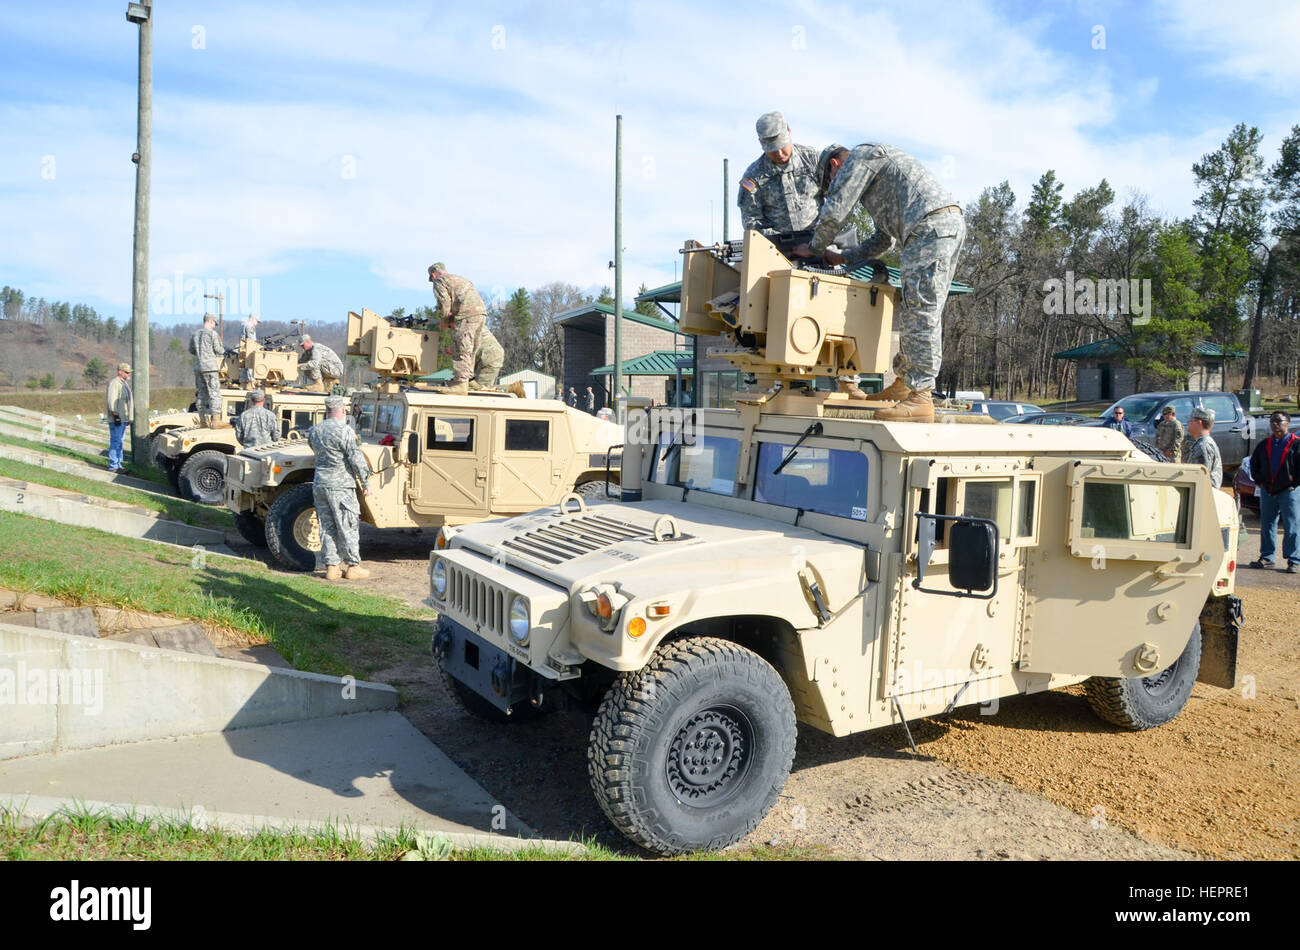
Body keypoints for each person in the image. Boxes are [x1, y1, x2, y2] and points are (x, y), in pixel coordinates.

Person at [792, 144, 964, 420]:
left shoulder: (860, 158)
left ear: (834, 166)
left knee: (921, 310)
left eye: (830, 182)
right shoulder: (875, 178)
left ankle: (921, 397)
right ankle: (904, 385)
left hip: (928, 228)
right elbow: (884, 240)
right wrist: (842, 258)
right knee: (915, 310)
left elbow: (835, 212)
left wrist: (812, 248)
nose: (834, 186)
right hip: (937, 226)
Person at [738, 112, 841, 233]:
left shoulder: (813, 159)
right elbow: (751, 220)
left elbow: (835, 198)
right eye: (772, 150)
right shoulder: (753, 176)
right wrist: (777, 240)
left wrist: (823, 232)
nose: (779, 154)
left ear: (789, 132)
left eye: (782, 146)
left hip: (820, 240)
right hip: (775, 248)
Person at [307, 395, 371, 580]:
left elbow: (314, 449)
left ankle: (332, 567)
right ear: (343, 410)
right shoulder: (346, 431)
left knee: (327, 526)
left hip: (320, 484)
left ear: (327, 411)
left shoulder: (315, 430)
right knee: (348, 525)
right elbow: (356, 459)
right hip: (341, 486)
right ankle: (353, 566)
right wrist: (365, 483)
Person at [1247, 411, 1300, 573]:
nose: (1275, 424)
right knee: (1267, 524)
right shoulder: (1265, 444)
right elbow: (1254, 464)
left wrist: (1295, 484)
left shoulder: (1296, 444)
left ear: (1287, 423)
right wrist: (1260, 482)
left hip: (1289, 491)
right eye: (1272, 421)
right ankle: (1267, 557)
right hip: (1268, 490)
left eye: (1278, 421)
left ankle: (1294, 560)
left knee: (1292, 526)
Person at [428, 261, 489, 396]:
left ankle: (461, 384)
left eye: (432, 279)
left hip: (466, 315)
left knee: (461, 347)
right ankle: (467, 380)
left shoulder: (440, 281)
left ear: (433, 275)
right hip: (481, 313)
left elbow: (444, 304)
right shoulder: (460, 279)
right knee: (471, 348)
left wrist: (443, 320)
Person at [189, 314, 227, 427]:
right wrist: (225, 351)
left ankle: (202, 421)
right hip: (210, 367)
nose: (214, 326)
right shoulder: (212, 334)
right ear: (210, 321)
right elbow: (218, 349)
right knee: (214, 393)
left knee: (201, 394)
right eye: (214, 324)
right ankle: (216, 421)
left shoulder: (195, 334)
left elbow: (191, 350)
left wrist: (201, 352)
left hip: (199, 367)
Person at [105, 362, 132, 473]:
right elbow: (112, 400)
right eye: (126, 372)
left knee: (119, 442)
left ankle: (118, 464)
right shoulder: (115, 383)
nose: (128, 374)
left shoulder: (124, 383)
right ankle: (114, 466)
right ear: (120, 371)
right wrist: (115, 415)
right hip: (118, 418)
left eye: (129, 372)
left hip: (123, 418)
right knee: (116, 442)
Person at [1184, 407, 1222, 488]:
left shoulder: (1203, 446)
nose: (1188, 422)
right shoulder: (1202, 443)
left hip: (1203, 494)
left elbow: (1202, 476)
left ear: (1199, 422)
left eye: (1191, 420)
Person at [239, 314, 260, 389]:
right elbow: (252, 340)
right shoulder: (249, 326)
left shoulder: (243, 325)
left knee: (244, 366)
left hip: (243, 349)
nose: (257, 323)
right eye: (256, 321)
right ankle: (251, 384)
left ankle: (243, 384)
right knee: (250, 365)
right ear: (252, 319)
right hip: (248, 349)